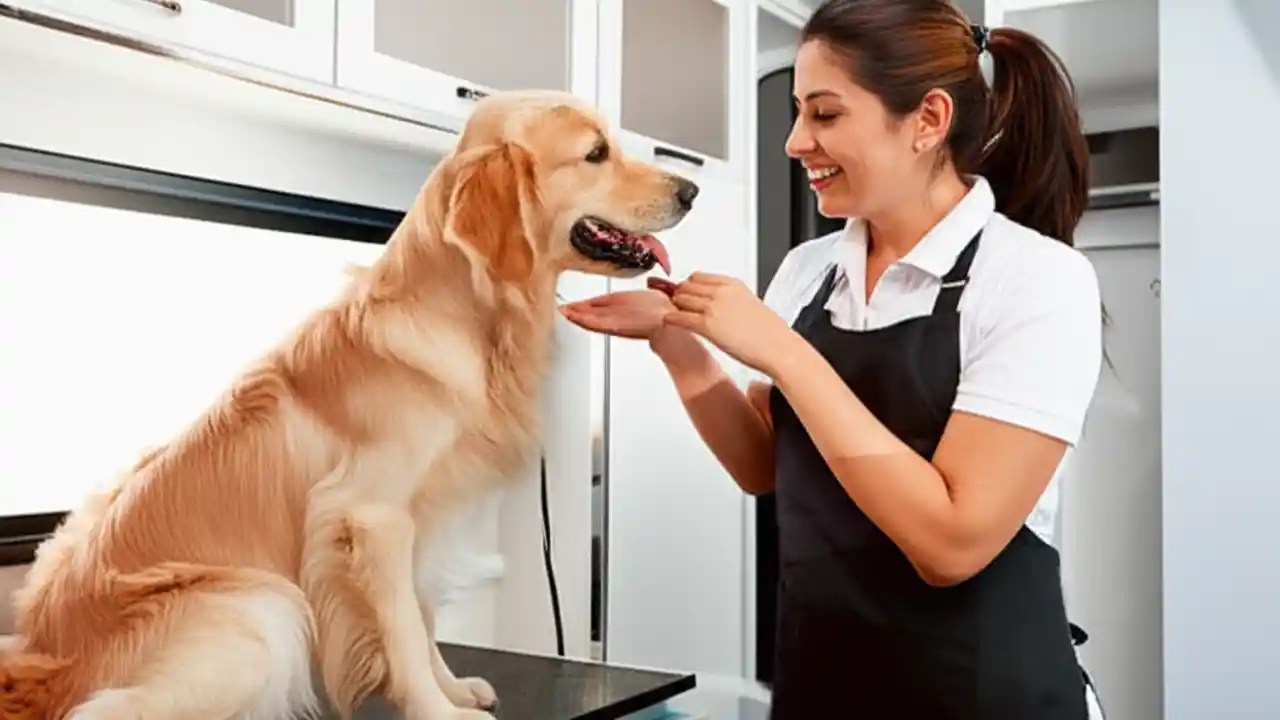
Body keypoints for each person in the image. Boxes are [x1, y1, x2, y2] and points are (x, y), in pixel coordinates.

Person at [562, 0, 1107, 717]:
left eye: (824, 114)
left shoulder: (1036, 278)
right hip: (825, 681)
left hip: (982, 691)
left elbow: (950, 544)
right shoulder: (810, 270)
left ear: (928, 121)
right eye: (796, 112)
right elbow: (765, 464)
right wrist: (680, 346)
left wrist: (784, 352)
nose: (794, 142)